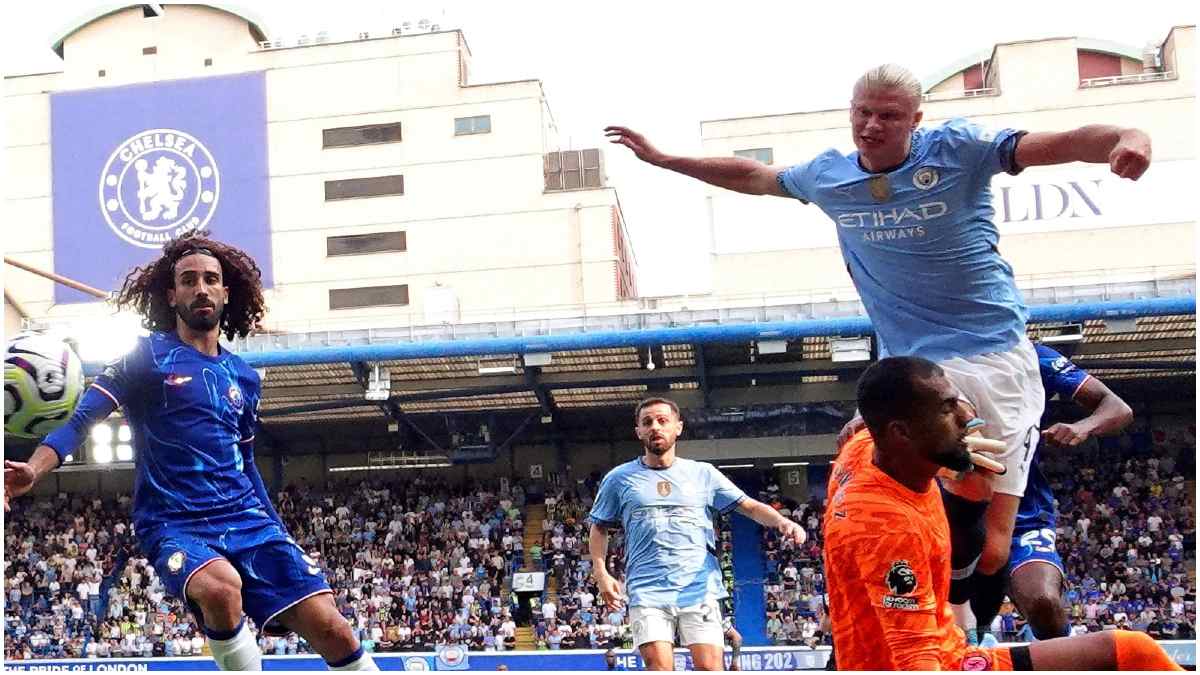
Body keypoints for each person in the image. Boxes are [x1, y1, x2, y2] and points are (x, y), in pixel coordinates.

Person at [606, 63, 1152, 637]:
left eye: (888, 116)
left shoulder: (959, 150)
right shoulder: (830, 176)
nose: (870, 126)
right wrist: (665, 159)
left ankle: (967, 625)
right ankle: (919, 628)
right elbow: (755, 176)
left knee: (993, 548)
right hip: (912, 373)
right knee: (888, 489)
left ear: (916, 120)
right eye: (862, 112)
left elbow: (1060, 143)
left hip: (995, 360)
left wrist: (1126, 137)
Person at [4, 232, 376, 671]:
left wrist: (279, 532)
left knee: (333, 628)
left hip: (247, 518)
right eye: (188, 280)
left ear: (226, 292)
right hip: (175, 521)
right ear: (171, 294)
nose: (201, 288)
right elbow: (81, 419)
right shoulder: (145, 357)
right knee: (220, 588)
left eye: (210, 279)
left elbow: (246, 465)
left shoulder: (243, 377)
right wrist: (34, 469)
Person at [821, 355, 1180, 670]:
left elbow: (867, 429)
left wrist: (948, 457)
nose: (967, 417)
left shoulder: (865, 448)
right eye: (947, 409)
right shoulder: (886, 530)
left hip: (954, 652)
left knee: (1129, 650)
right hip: (937, 665)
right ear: (902, 432)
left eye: (959, 402)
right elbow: (915, 658)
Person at [589, 397, 807, 671]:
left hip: (699, 588)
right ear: (638, 431)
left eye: (663, 421)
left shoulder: (702, 474)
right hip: (647, 590)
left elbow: (749, 506)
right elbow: (599, 526)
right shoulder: (619, 478)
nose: (655, 427)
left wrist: (782, 522)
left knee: (710, 669)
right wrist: (601, 573)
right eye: (647, 422)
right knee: (659, 669)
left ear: (678, 427)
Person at [990, 343, 1133, 640]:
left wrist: (1084, 426)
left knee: (1044, 605)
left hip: (1021, 513)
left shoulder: (1031, 355)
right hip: (943, 511)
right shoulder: (922, 352)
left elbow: (1117, 407)